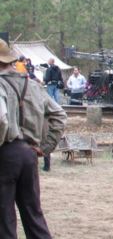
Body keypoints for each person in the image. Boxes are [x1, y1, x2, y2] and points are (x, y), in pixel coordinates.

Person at [0, 38, 66, 239]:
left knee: (4, 218)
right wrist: (44, 148)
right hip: (29, 154)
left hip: (5, 153)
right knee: (33, 215)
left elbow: (1, 120)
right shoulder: (33, 85)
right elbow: (60, 116)